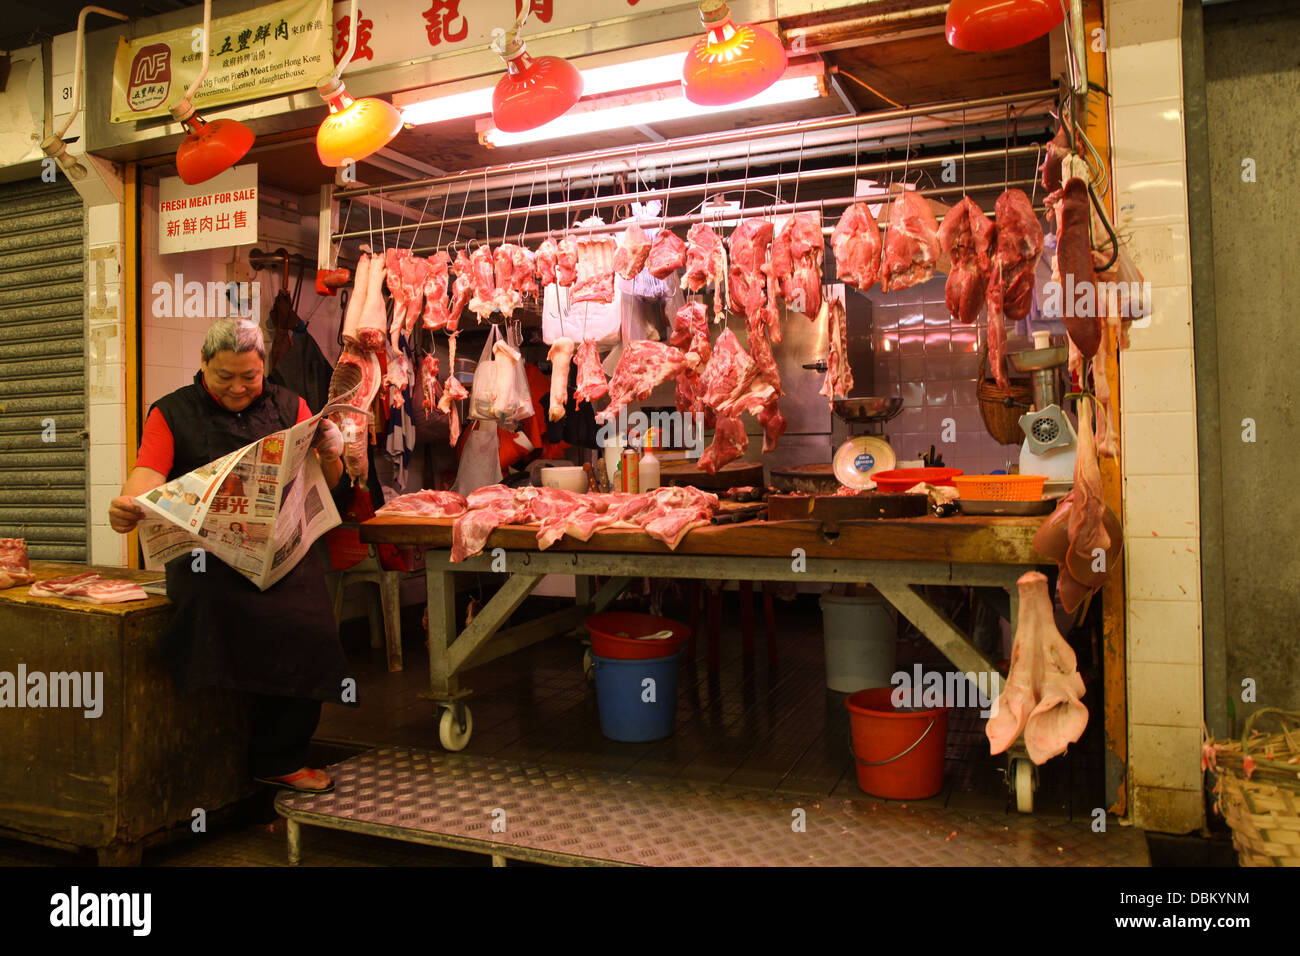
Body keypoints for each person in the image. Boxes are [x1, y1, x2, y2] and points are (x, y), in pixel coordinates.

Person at [108, 319, 349, 795]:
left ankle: (281, 757)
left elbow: (330, 481)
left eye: (249, 377)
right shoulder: (172, 412)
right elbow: (146, 474)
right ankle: (208, 763)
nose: (239, 388)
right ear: (203, 365)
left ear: (263, 369)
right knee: (216, 616)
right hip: (207, 559)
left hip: (281, 551)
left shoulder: (290, 404)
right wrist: (128, 505)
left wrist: (334, 454)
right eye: (225, 377)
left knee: (310, 623)